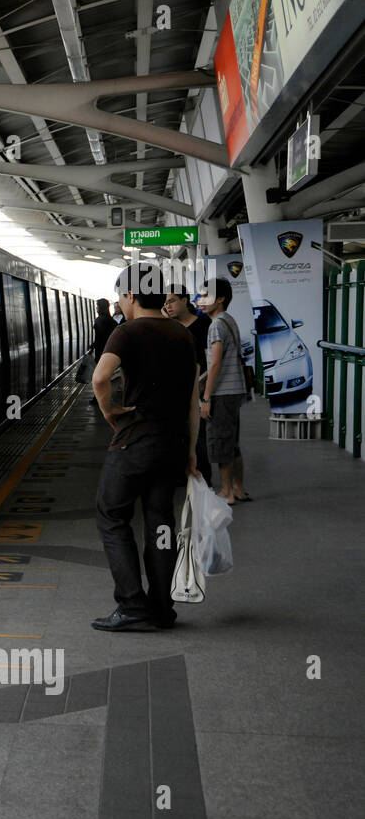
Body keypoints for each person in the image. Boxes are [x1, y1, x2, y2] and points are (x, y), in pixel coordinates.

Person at [91, 263, 200, 632]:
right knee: (159, 523)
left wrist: (109, 412)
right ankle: (162, 607)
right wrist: (191, 451)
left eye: (122, 297)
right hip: (173, 443)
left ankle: (133, 606)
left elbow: (100, 377)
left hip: (136, 442)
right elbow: (192, 399)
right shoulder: (183, 334)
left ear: (131, 296)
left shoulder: (127, 331)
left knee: (112, 516)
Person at [199, 278, 250, 505]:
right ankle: (238, 489)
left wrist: (207, 397)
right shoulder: (229, 320)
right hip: (234, 390)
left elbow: (216, 363)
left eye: (205, 296)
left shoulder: (216, 325)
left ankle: (227, 492)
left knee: (220, 442)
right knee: (232, 442)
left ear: (220, 299)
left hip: (222, 392)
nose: (200, 301)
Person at [164, 288, 213, 486]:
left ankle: (203, 479)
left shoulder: (203, 325)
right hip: (172, 391)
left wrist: (206, 393)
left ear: (185, 300)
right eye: (165, 303)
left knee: (199, 436)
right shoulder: (167, 326)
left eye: (172, 301)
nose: (168, 306)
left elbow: (211, 360)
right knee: (175, 435)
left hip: (197, 389)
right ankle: (179, 477)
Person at [88, 298, 118, 404]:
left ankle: (98, 398)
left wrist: (93, 346)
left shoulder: (99, 320)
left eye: (97, 306)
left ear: (101, 307)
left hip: (101, 352)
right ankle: (105, 397)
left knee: (98, 375)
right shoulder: (113, 321)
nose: (96, 308)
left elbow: (99, 338)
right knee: (108, 376)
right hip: (111, 351)